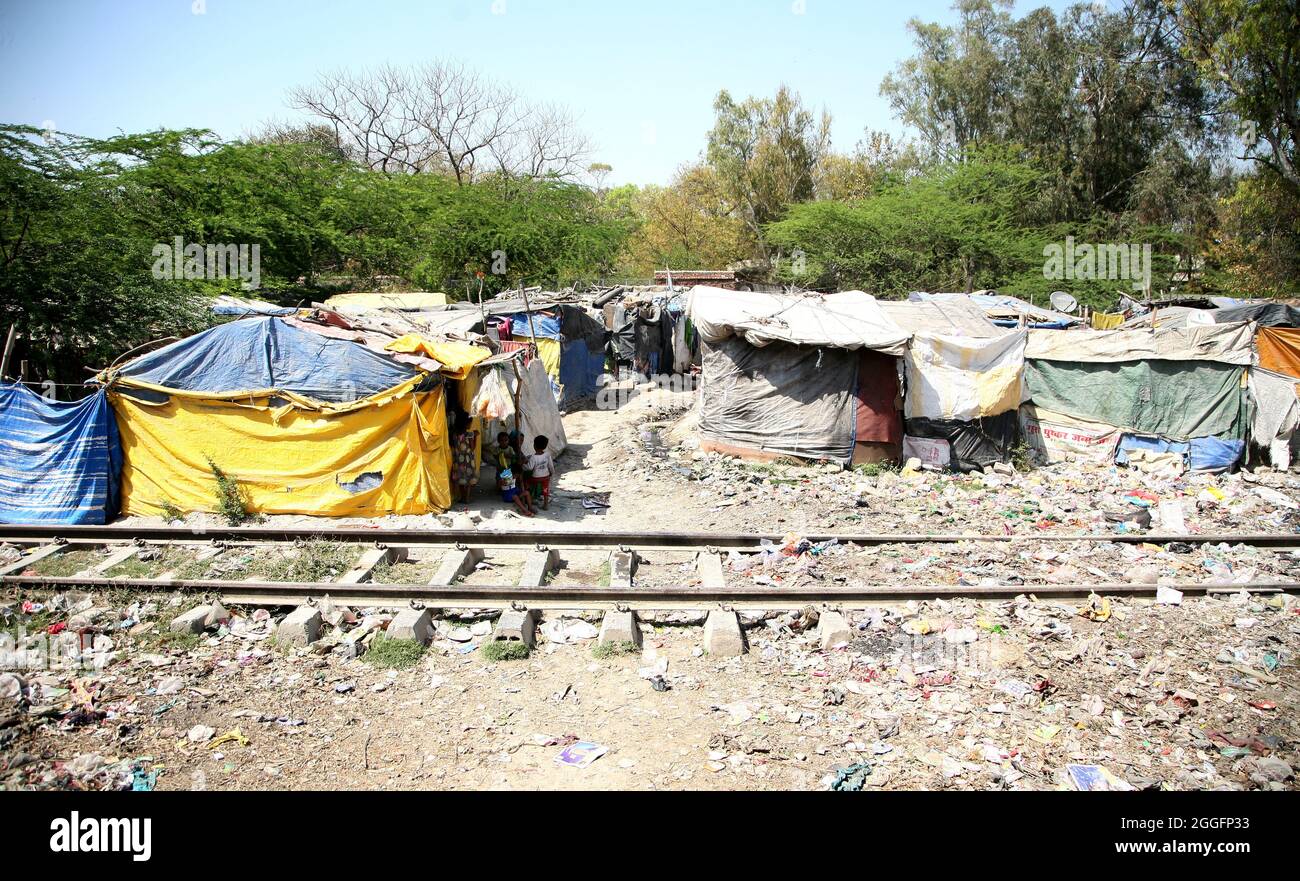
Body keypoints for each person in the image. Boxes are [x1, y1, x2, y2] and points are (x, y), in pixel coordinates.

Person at [450, 413, 478, 504]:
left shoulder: (454, 434)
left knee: (461, 478)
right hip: (468, 460)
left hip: (458, 460)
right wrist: (476, 437)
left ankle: (462, 497)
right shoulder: (469, 434)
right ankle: (467, 497)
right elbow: (472, 447)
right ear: (466, 424)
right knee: (469, 479)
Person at [524, 434, 556, 510]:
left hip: (535, 478)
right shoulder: (547, 455)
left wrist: (523, 465)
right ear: (545, 446)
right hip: (546, 477)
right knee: (545, 489)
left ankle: (530, 498)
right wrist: (552, 473)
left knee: (528, 481)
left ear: (534, 445)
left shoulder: (533, 457)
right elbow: (551, 466)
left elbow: (529, 468)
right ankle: (545, 504)